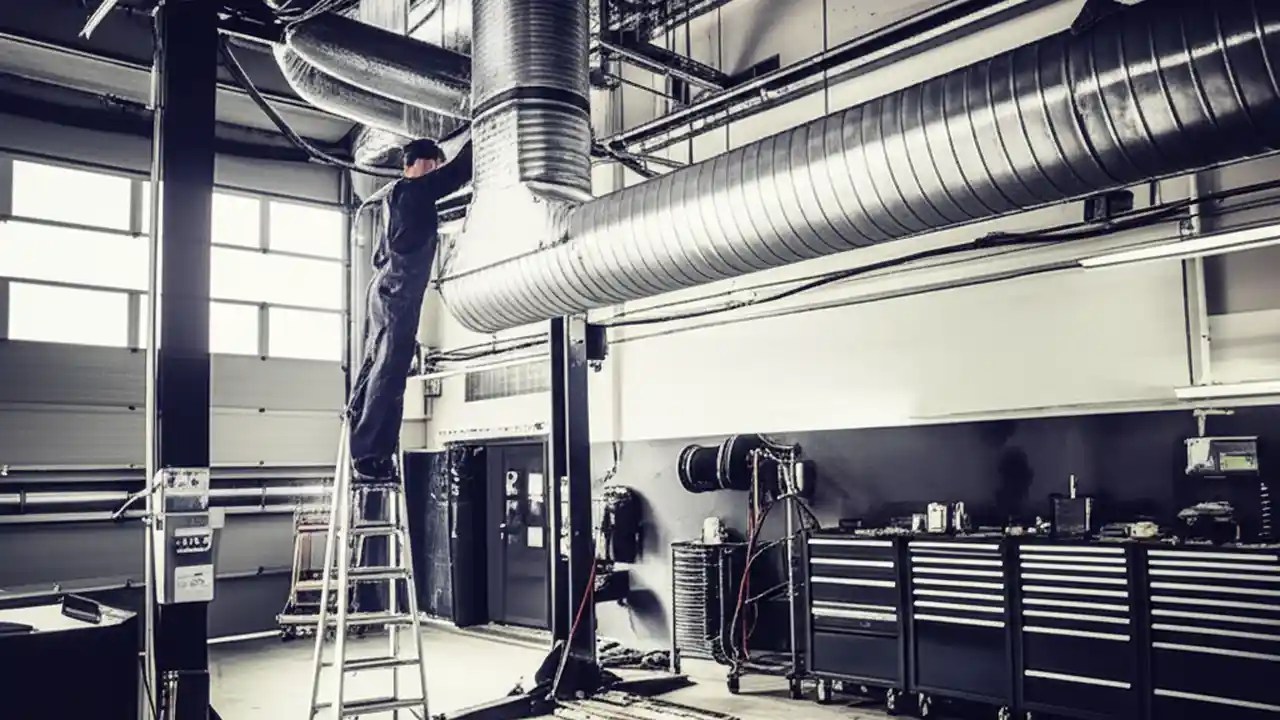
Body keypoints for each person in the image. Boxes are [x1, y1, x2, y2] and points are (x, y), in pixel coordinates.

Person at [347, 136, 473, 482]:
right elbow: (461, 171)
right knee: (389, 372)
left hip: (385, 289)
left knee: (380, 367)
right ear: (423, 163)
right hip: (399, 295)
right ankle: (370, 455)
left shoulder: (393, 196)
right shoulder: (416, 192)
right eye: (433, 164)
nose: (435, 171)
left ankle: (365, 437)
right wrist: (482, 131)